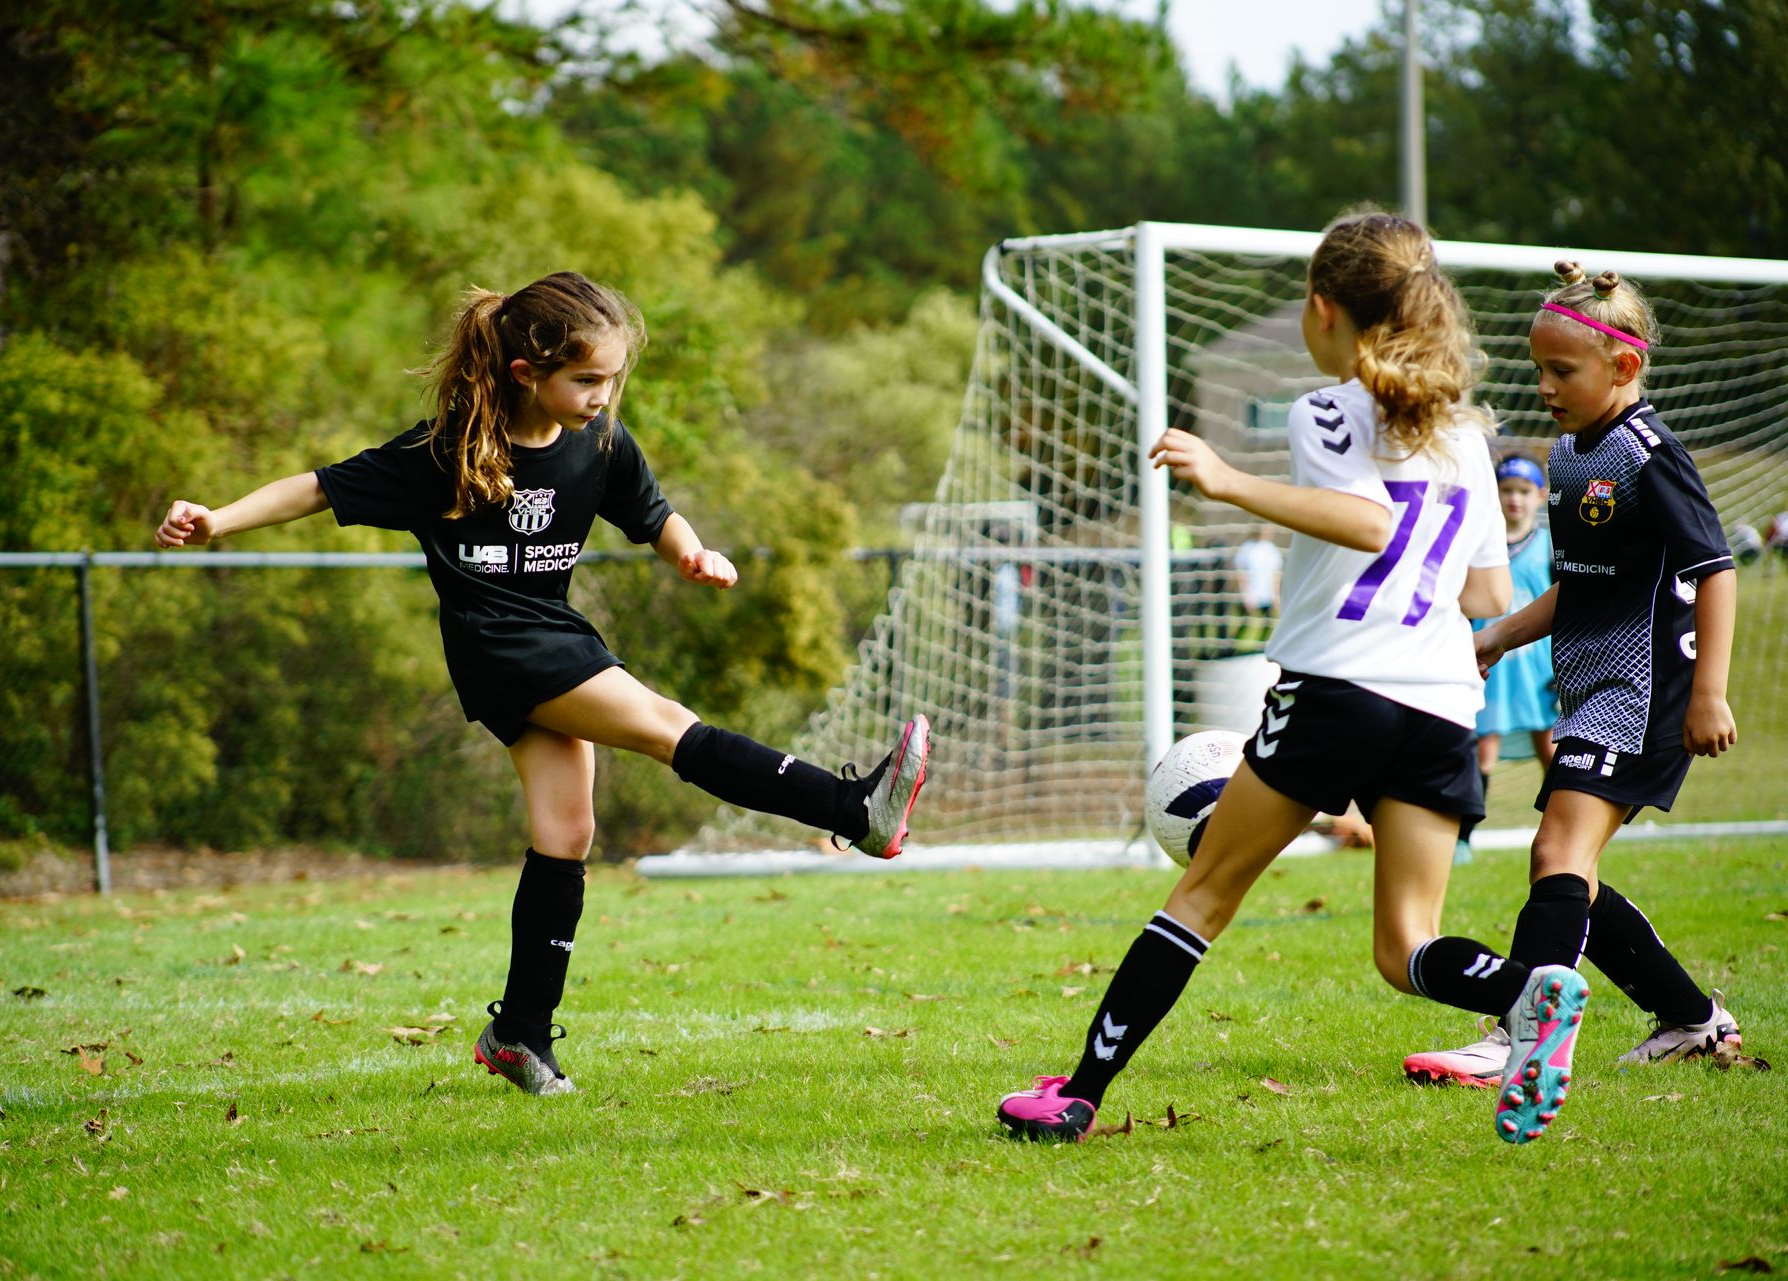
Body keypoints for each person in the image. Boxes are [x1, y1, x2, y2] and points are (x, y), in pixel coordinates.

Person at [155, 272, 931, 1097]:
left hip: (554, 634)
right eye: (588, 380)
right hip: (496, 646)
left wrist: (692, 553)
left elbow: (652, 512)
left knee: (566, 832)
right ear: (528, 372)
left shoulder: (599, 442)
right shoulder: (448, 450)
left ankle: (519, 1031)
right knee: (668, 725)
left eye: (613, 379)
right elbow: (320, 486)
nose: (603, 395)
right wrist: (218, 518)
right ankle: (855, 811)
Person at [991, 210, 1579, 1146]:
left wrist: (1227, 479)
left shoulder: (1326, 408)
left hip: (1338, 688)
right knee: (1407, 946)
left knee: (1201, 895)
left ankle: (1079, 1094)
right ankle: (1526, 994)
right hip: (1437, 706)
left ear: (1323, 308)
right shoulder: (1467, 430)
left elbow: (1366, 522)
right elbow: (1489, 586)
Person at [1402, 263, 1741, 1120]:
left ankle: (1513, 1031)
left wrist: (1711, 693)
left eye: (1565, 371)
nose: (1546, 387)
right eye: (1540, 369)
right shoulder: (1574, 454)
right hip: (1592, 688)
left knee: (1557, 854)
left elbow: (1717, 570)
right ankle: (1692, 1017)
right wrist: (1495, 639)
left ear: (1623, 369)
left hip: (1650, 691)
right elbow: (1580, 583)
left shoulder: (1646, 453)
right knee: (1566, 867)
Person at [1454, 454, 1557, 863]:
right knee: (1484, 750)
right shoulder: (1479, 542)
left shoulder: (1552, 545)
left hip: (1540, 671)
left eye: (1524, 491)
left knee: (1551, 750)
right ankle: (1464, 836)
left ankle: (1562, 832)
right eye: (1507, 490)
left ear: (1541, 496)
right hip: (1491, 668)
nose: (1515, 499)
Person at [1231, 526, 1284, 647]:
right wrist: (1246, 595)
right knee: (1245, 622)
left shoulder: (1271, 549)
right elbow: (1241, 574)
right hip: (1251, 593)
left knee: (1268, 622)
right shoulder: (1247, 548)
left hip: (1266, 594)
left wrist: (1276, 596)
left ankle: (1261, 646)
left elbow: (1275, 575)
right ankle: (1232, 647)